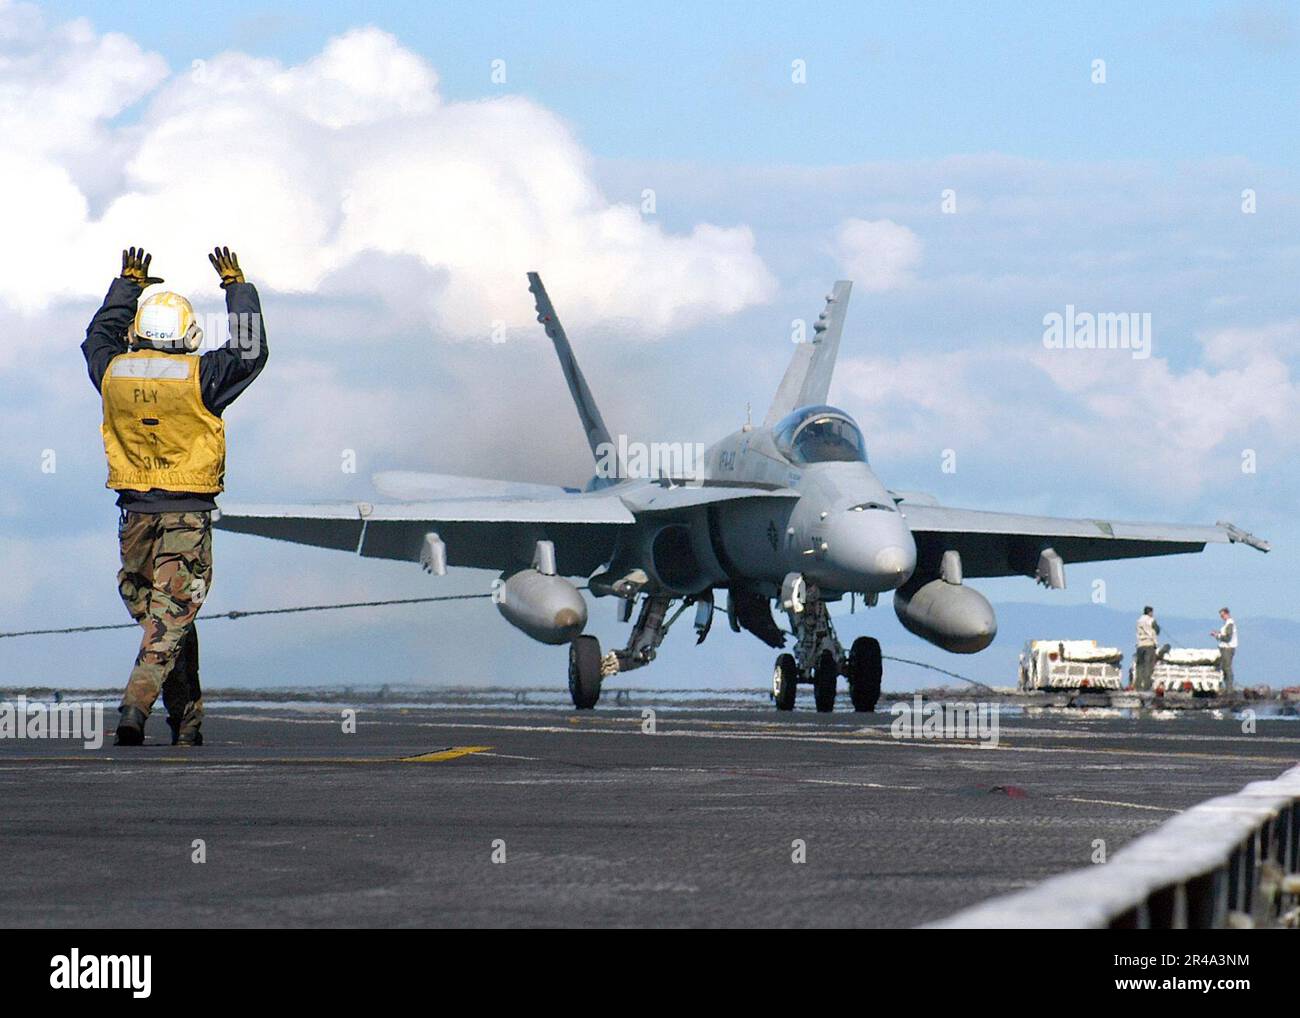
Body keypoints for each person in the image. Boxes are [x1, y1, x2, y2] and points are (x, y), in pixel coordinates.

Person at [82, 246, 268, 746]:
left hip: (133, 516)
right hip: (185, 514)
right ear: (188, 335)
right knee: (170, 618)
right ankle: (135, 705)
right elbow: (250, 352)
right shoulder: (200, 378)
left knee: (163, 615)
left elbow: (96, 337)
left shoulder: (111, 373)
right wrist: (236, 288)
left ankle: (186, 721)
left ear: (137, 332)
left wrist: (127, 286)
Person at [1134, 605, 1160, 691]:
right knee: (1148, 666)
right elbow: (1157, 630)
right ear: (1150, 612)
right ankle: (1146, 687)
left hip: (1140, 645)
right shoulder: (1151, 620)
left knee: (1139, 666)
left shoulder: (1139, 620)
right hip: (1149, 645)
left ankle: (1138, 686)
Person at [1211, 607, 1238, 692]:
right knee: (1224, 667)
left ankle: (1229, 689)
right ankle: (1227, 688)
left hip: (1228, 648)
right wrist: (1218, 634)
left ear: (1227, 614)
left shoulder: (1230, 624)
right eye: (1221, 616)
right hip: (1224, 648)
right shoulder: (1226, 624)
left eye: (1222, 615)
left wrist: (1217, 636)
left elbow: (1228, 638)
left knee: (1227, 668)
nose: (1222, 617)